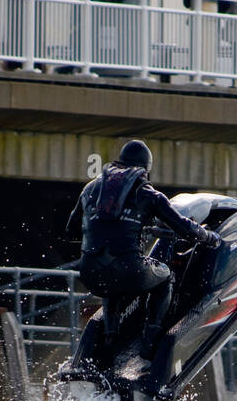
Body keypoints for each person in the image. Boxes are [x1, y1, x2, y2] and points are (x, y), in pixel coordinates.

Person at [67, 139, 221, 362]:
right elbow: (185, 228)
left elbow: (70, 231)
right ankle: (150, 341)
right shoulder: (147, 193)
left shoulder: (90, 189)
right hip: (129, 271)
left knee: (111, 284)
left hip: (90, 274)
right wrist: (210, 237)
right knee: (166, 276)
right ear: (145, 170)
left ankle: (110, 341)